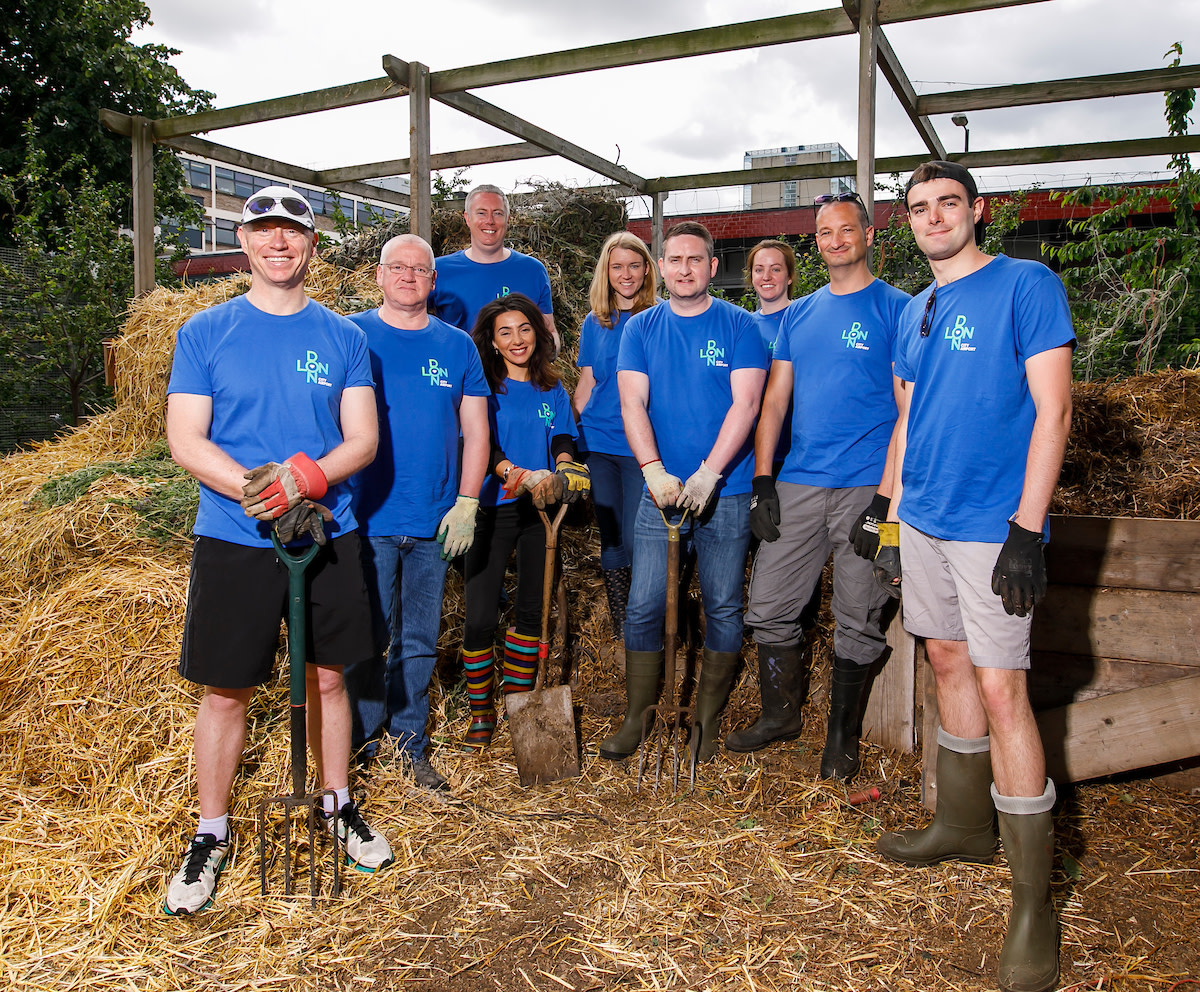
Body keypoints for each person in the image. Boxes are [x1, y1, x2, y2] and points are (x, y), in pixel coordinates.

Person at [872, 161, 1074, 992]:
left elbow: (1055, 409)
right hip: (922, 517)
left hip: (994, 529)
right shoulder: (913, 310)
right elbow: (908, 419)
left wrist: (1027, 529)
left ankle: (1034, 906)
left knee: (1002, 691)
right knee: (944, 661)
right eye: (918, 208)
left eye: (947, 202)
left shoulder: (1025, 285)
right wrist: (885, 514)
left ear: (976, 210)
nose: (933, 217)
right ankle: (962, 824)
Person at [163, 187, 393, 916]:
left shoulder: (343, 337)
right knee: (227, 686)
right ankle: (210, 831)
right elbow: (186, 440)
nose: (278, 243)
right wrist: (256, 487)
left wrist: (306, 478)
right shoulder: (205, 331)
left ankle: (336, 803)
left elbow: (361, 439)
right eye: (264, 231)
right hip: (236, 536)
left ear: (312, 244)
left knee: (329, 680)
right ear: (243, 239)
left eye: (291, 233)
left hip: (327, 532)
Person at [737, 194, 910, 781]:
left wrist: (886, 506)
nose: (836, 239)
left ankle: (842, 741)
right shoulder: (798, 315)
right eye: (825, 231)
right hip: (800, 481)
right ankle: (780, 717)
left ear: (868, 234)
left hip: (868, 484)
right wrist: (763, 481)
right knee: (768, 605)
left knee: (859, 612)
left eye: (846, 229)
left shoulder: (898, 310)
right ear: (815, 241)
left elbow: (910, 412)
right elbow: (775, 401)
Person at [602, 221, 768, 764]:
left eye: (695, 260)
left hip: (728, 490)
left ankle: (705, 721)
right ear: (662, 267)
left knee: (723, 603)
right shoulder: (642, 329)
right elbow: (632, 403)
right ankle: (638, 716)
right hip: (661, 492)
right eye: (674, 260)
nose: (685, 269)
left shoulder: (742, 327)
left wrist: (710, 473)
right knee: (645, 602)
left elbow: (745, 405)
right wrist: (652, 469)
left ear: (713, 267)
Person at [343, 234, 490, 792]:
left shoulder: (458, 346)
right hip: (365, 517)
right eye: (397, 267)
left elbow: (476, 430)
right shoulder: (352, 334)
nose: (408, 276)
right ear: (379, 276)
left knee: (421, 638)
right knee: (366, 634)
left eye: (420, 269)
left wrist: (468, 501)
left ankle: (411, 745)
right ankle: (358, 742)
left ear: (433, 281)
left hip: (434, 522)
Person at [461, 293, 589, 749]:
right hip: (493, 506)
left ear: (538, 333)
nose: (517, 340)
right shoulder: (482, 386)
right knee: (479, 617)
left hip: (540, 510)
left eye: (525, 329)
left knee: (531, 611)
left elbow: (561, 436)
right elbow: (482, 444)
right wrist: (514, 472)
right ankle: (480, 713)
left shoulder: (551, 387)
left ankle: (520, 705)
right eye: (505, 333)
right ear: (493, 342)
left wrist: (567, 463)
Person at [572, 232, 659, 647]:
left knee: (638, 535)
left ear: (647, 270)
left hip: (641, 447)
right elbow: (588, 381)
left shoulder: (661, 318)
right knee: (610, 533)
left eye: (634, 265)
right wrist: (566, 438)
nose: (626, 274)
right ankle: (623, 621)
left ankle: (645, 618)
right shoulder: (595, 322)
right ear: (606, 272)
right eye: (617, 266)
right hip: (599, 442)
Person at [430, 185, 559, 350]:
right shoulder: (438, 270)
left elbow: (549, 332)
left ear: (508, 219)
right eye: (481, 213)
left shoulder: (533, 270)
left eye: (497, 213)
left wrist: (544, 353)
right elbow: (409, 317)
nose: (489, 221)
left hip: (517, 375)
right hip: (461, 373)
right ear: (467, 218)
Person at [744, 239, 797, 470]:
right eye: (759, 270)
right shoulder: (744, 325)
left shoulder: (803, 318)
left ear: (789, 276)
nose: (766, 277)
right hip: (754, 451)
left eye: (775, 269)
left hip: (795, 450)